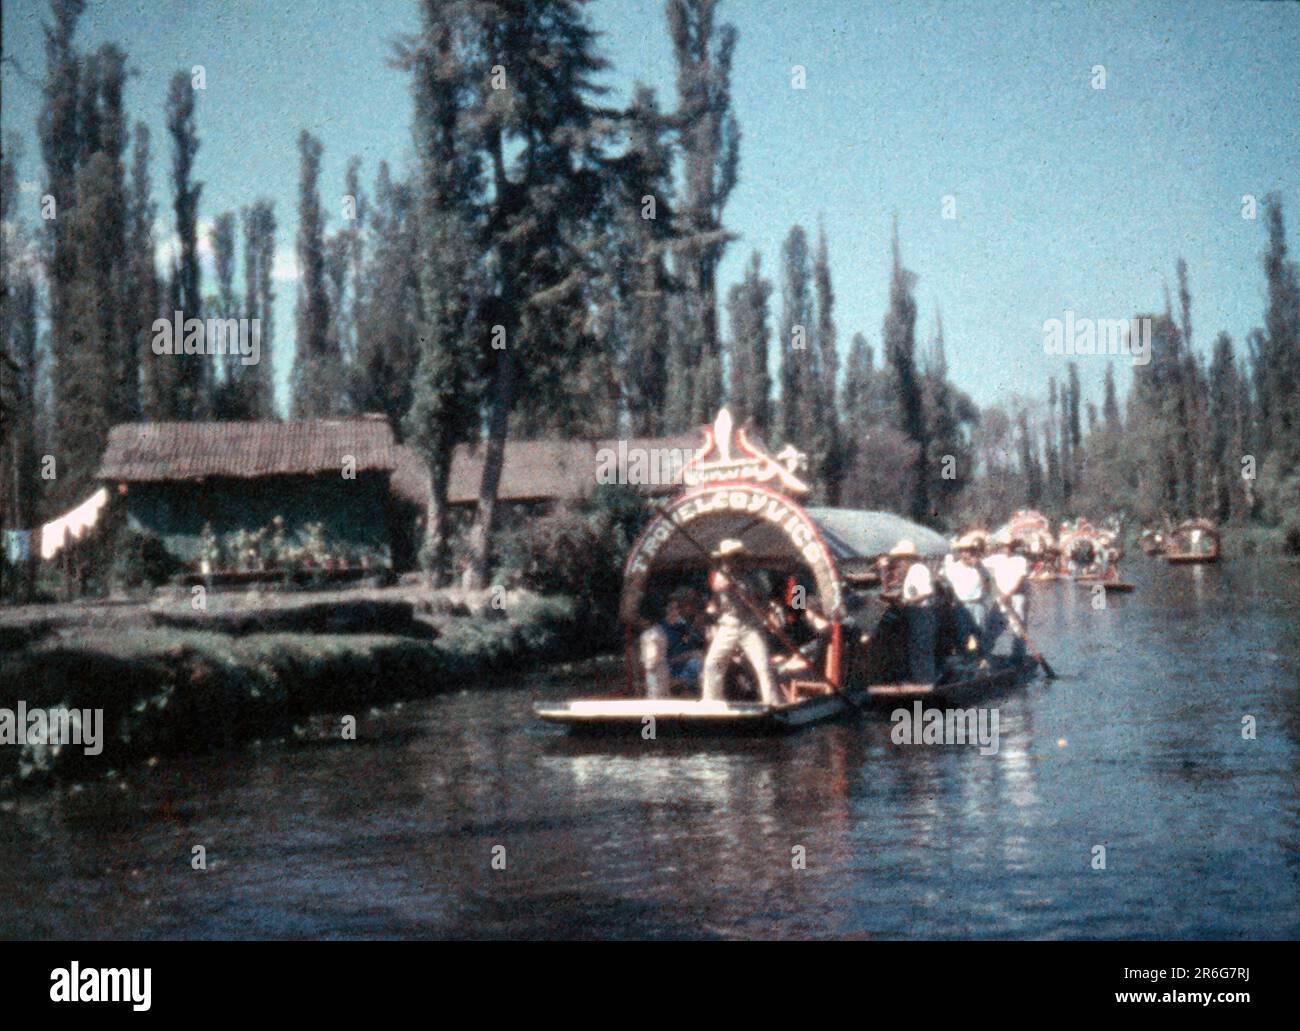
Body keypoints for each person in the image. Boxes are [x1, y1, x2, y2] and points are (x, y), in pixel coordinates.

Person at [701, 540, 780, 704]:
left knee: (763, 666)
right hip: (728, 625)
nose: (731, 561)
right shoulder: (721, 574)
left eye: (735, 558)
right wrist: (729, 579)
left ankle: (772, 703)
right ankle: (711, 701)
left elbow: (764, 598)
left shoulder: (755, 575)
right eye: (728, 558)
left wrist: (747, 591)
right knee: (712, 663)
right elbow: (717, 587)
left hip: (750, 625)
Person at [889, 539, 937, 684]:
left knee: (922, 648)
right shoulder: (910, 572)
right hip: (914, 612)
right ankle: (919, 680)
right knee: (915, 648)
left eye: (901, 559)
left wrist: (908, 601)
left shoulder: (919, 569)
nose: (899, 562)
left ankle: (927, 682)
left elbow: (927, 592)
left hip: (922, 612)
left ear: (908, 558)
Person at [982, 533, 1030, 662]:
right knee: (992, 625)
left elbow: (1020, 579)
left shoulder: (1021, 560)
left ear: (1013, 547)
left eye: (1009, 546)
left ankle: (1018, 657)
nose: (1006, 548)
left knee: (1017, 628)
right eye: (1004, 546)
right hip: (1000, 597)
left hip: (1016, 598)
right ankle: (984, 655)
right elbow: (980, 565)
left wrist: (1008, 594)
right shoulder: (995, 559)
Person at [943, 533, 990, 657]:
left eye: (969, 551)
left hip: (978, 604)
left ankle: (983, 661)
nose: (966, 554)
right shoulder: (953, 568)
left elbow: (987, 587)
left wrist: (978, 568)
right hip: (961, 606)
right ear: (959, 552)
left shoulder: (981, 568)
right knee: (962, 635)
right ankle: (965, 662)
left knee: (980, 634)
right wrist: (951, 602)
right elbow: (946, 586)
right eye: (963, 551)